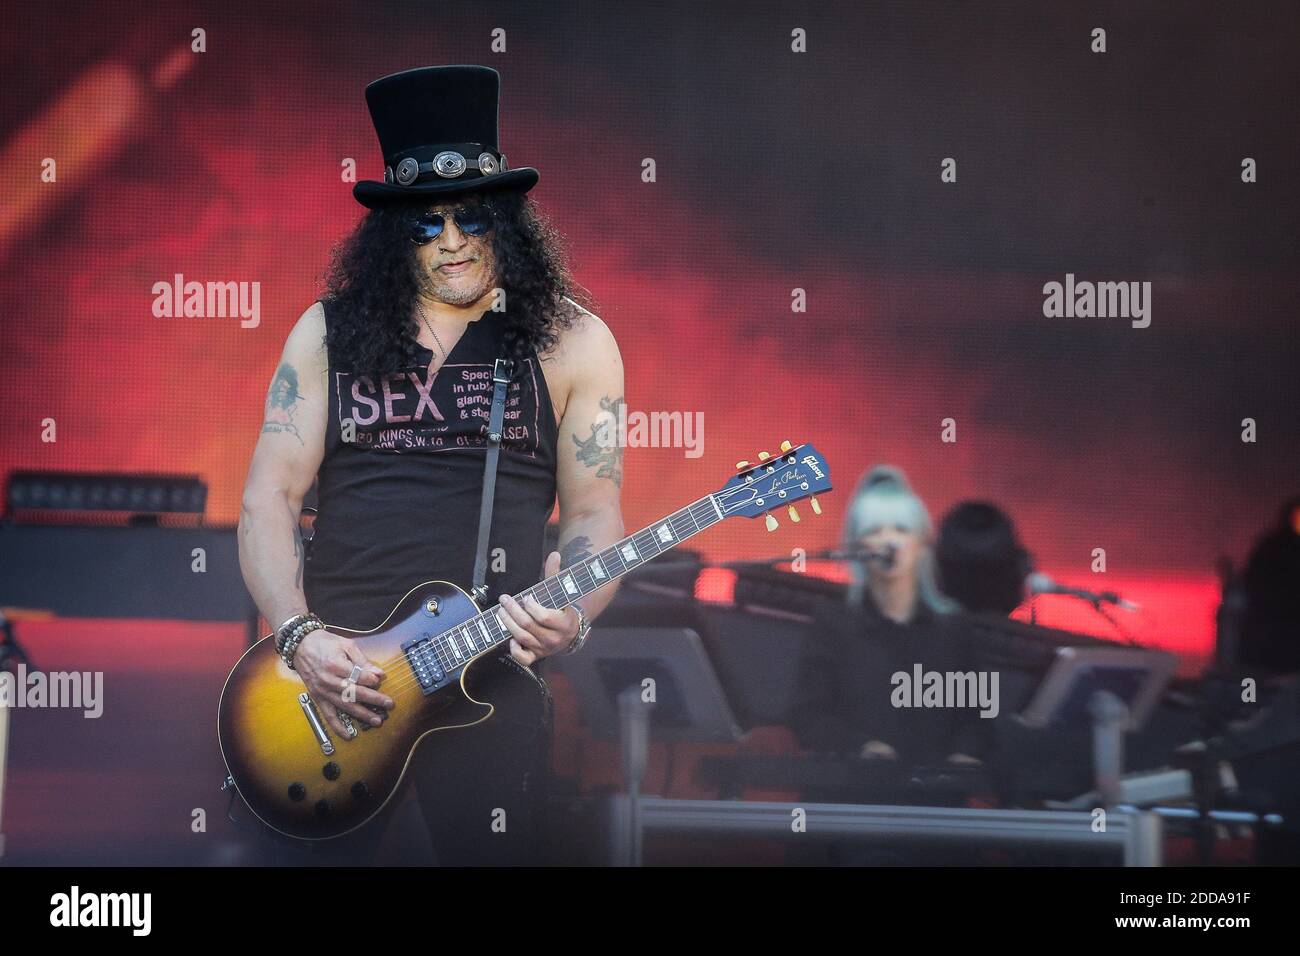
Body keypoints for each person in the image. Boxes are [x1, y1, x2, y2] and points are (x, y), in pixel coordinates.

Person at [236, 66, 625, 865]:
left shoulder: (573, 342)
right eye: (423, 224)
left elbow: (593, 514)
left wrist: (575, 614)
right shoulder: (326, 332)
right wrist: (298, 634)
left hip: (485, 675)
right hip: (328, 684)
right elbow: (268, 499)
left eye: (471, 215)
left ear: (506, 219)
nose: (451, 240)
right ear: (392, 234)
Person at [789, 465, 987, 768]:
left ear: (921, 545)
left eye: (901, 529)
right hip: (853, 795)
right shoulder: (834, 623)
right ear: (857, 546)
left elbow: (976, 717)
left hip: (935, 800)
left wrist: (964, 755)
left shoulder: (953, 628)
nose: (888, 541)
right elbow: (809, 716)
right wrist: (860, 748)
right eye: (874, 531)